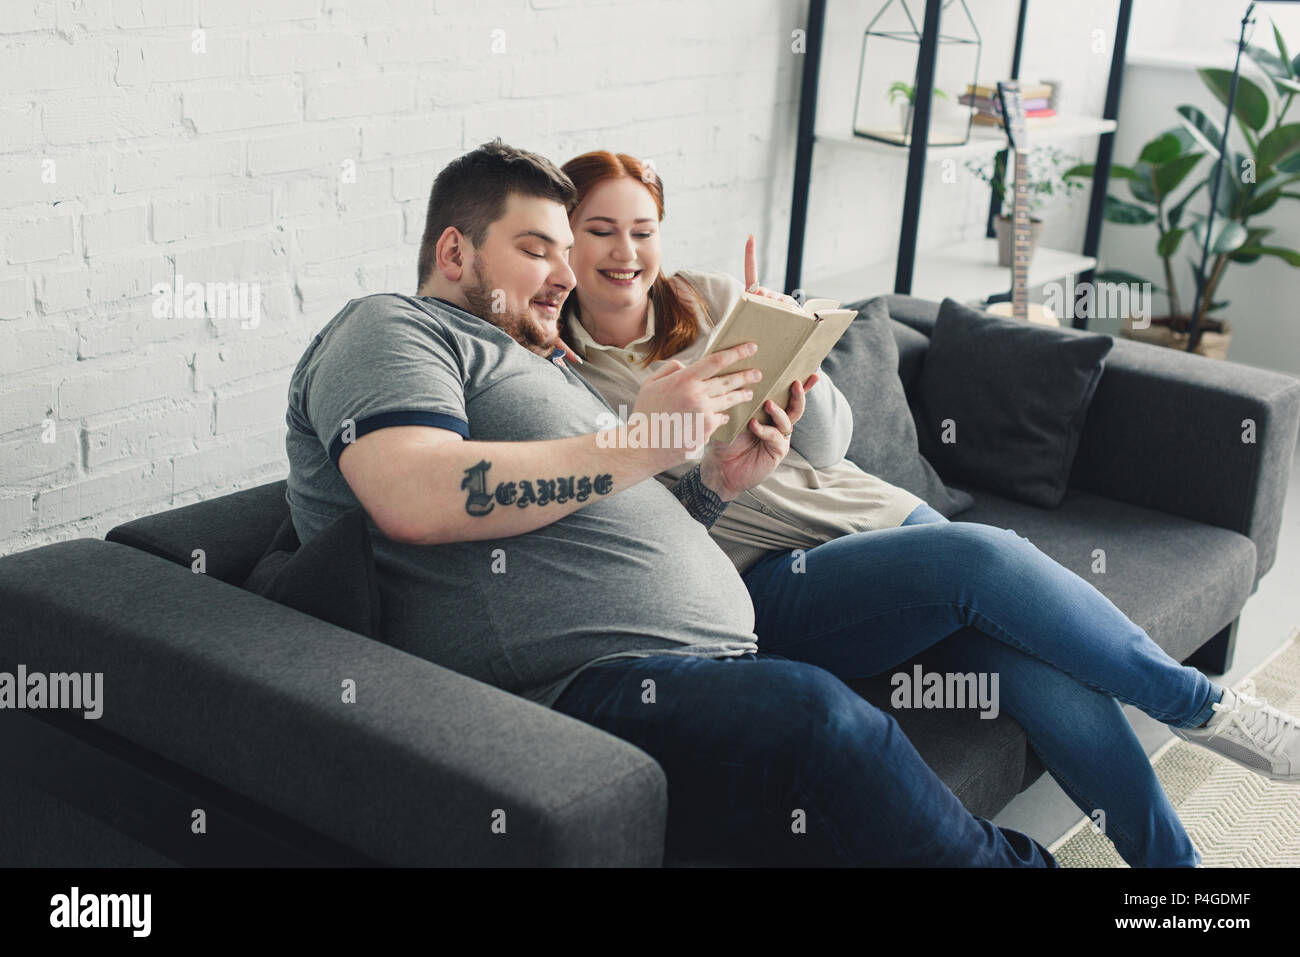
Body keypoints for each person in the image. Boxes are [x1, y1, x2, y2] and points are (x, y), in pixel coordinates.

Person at [283, 138, 1059, 867]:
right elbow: (414, 493)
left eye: (565, 249)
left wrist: (714, 482)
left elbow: (606, 515)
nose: (564, 272)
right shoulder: (393, 327)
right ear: (454, 252)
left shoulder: (548, 366)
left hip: (698, 662)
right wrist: (644, 440)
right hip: (576, 687)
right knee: (816, 716)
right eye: (534, 249)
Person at [556, 147, 1300, 868]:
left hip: (881, 518)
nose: (626, 251)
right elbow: (651, 536)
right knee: (984, 551)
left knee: (1029, 660)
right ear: (567, 239)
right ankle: (1198, 705)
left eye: (643, 230)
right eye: (601, 230)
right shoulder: (563, 380)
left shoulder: (710, 300)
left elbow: (826, 448)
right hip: (777, 580)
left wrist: (795, 361)